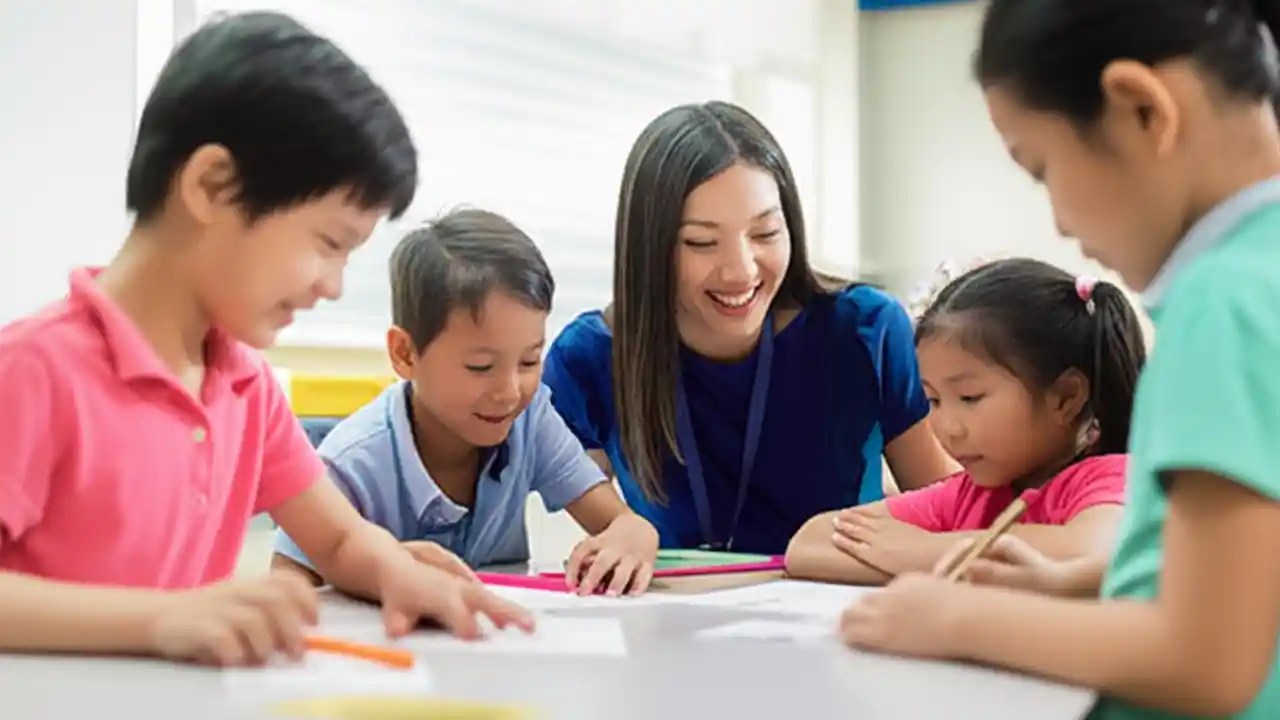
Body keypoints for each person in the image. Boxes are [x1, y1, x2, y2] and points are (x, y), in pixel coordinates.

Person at [0, 12, 532, 667]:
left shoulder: (245, 387)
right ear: (212, 186)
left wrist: (393, 568)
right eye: (329, 244)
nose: (333, 286)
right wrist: (163, 620)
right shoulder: (32, 372)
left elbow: (338, 542)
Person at [840, 2, 1280, 718]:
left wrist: (953, 620)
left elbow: (1208, 661)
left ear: (1141, 109)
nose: (1061, 223)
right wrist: (1081, 583)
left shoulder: (1224, 300)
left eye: (1042, 169)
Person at [543, 101, 958, 556]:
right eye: (701, 242)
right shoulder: (590, 357)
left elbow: (949, 509)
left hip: (843, 605)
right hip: (678, 616)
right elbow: (597, 521)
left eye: (765, 234)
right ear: (649, 246)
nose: (740, 271)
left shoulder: (865, 329)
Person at [272, 209, 659, 596]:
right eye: (481, 366)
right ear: (406, 354)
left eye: (529, 361)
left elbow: (619, 522)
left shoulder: (530, 419)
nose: (510, 390)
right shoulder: (352, 464)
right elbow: (287, 588)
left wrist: (634, 533)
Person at [786, 258, 1142, 588]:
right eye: (933, 401)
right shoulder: (969, 493)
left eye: (970, 397)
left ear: (1066, 397)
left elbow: (1086, 551)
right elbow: (810, 544)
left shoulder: (1110, 477)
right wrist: (927, 555)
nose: (948, 428)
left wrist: (918, 551)